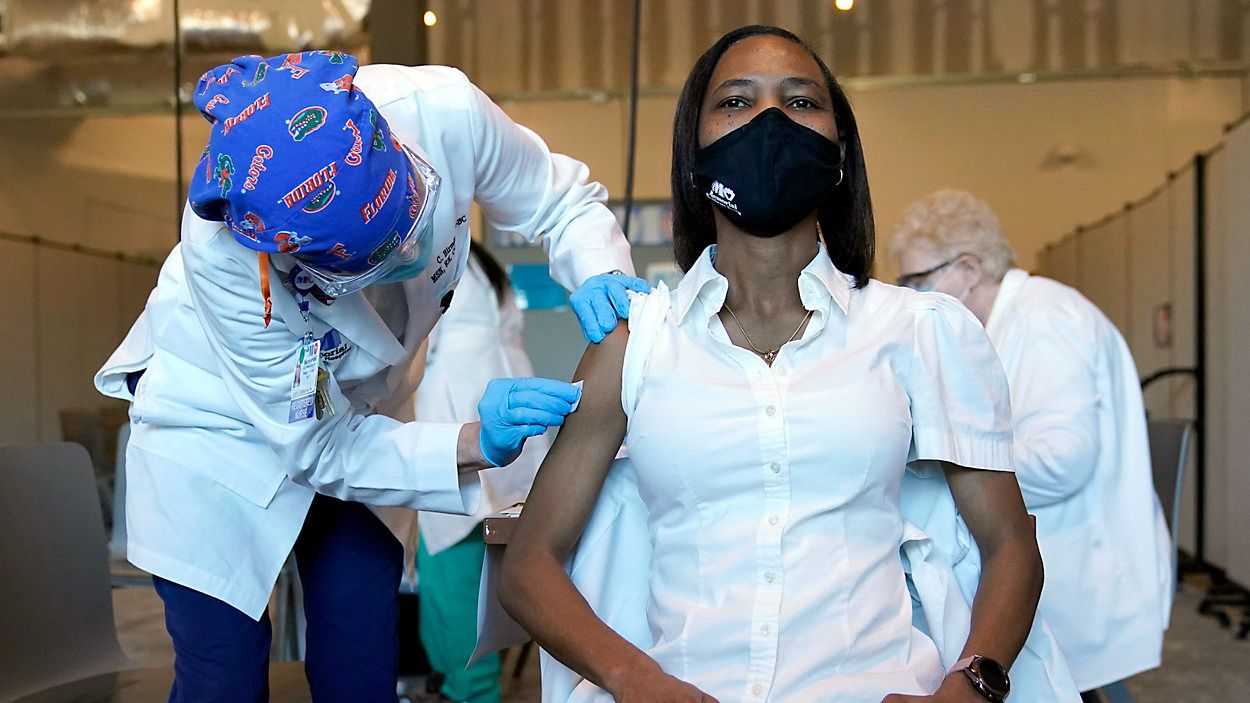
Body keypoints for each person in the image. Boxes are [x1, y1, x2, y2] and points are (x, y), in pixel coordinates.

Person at [498, 26, 1049, 703]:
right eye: (735, 102)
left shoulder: (917, 330)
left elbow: (1011, 545)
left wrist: (968, 688)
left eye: (799, 102)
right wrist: (634, 678)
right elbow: (528, 564)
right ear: (695, 156)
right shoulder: (635, 342)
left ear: (839, 152)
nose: (769, 121)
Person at [93, 51, 645, 702]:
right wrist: (470, 442)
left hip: (362, 413)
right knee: (225, 674)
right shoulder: (228, 259)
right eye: (375, 261)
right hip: (218, 430)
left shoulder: (442, 110)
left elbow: (556, 198)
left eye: (408, 225)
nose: (412, 256)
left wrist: (600, 271)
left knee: (361, 654)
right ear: (283, 252)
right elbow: (318, 444)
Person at [890, 190, 1172, 696]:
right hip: (1058, 555)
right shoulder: (1008, 322)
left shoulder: (1043, 319)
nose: (909, 294)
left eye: (916, 280)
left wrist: (950, 460)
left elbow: (1063, 460)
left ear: (969, 268)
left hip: (1081, 567)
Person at [411, 241, 547, 703]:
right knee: (466, 558)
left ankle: (470, 686)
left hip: (477, 410)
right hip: (477, 410)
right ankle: (464, 684)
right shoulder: (473, 262)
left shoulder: (454, 256)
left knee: (464, 565)